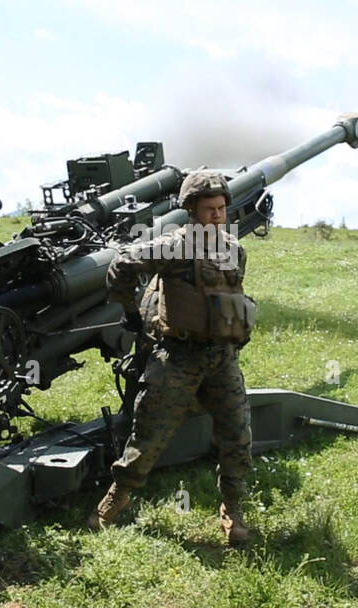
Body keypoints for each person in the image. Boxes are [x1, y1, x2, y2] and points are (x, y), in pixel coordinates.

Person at [88, 170, 257, 545]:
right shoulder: (176, 246)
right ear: (191, 210)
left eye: (222, 208)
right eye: (209, 209)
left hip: (222, 359)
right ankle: (116, 498)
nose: (217, 215)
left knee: (237, 436)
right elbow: (123, 263)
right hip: (178, 357)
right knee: (149, 435)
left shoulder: (234, 249)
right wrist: (130, 312)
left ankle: (233, 509)